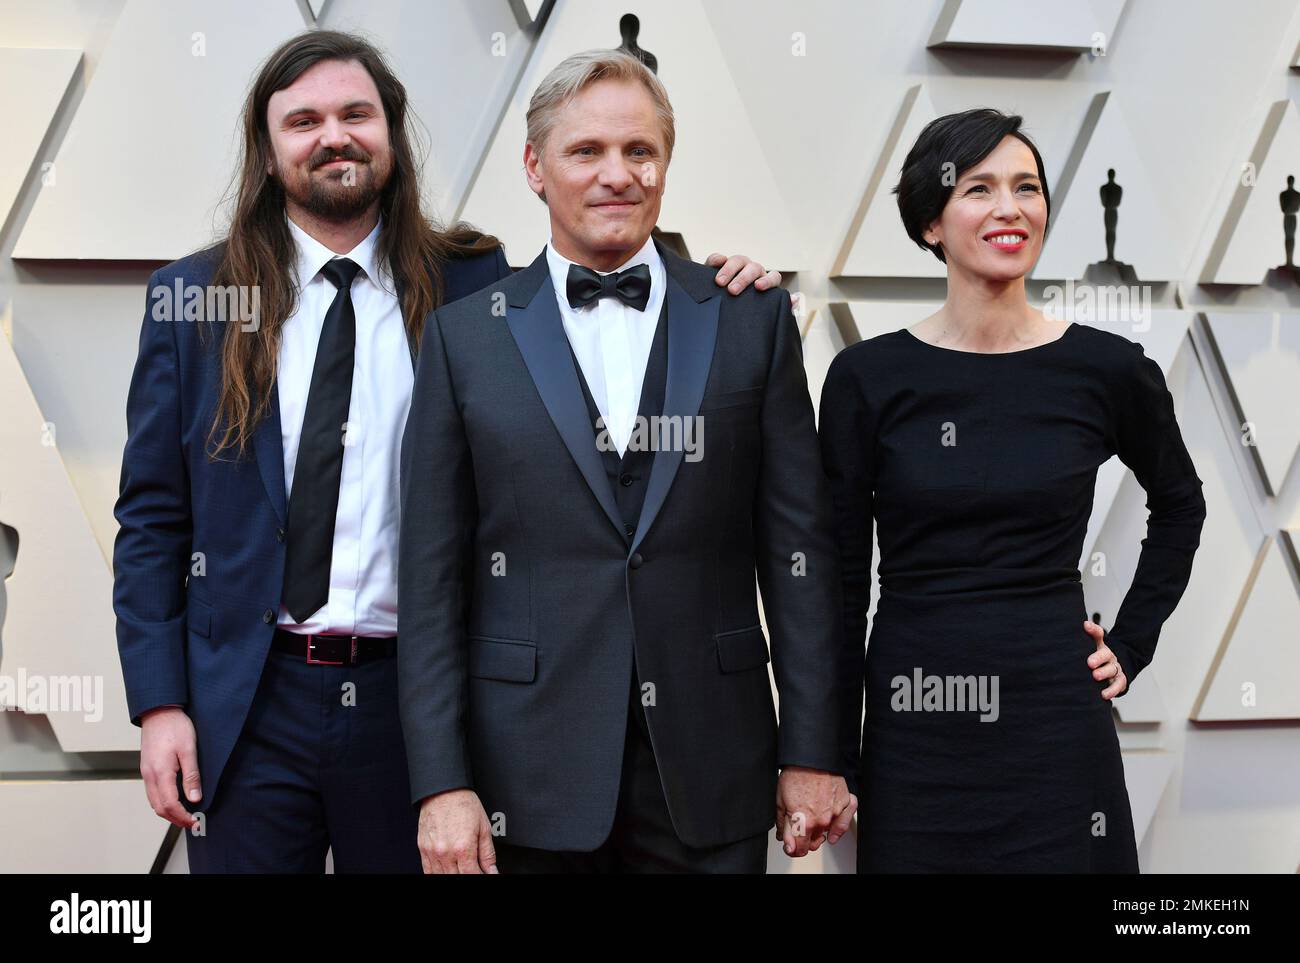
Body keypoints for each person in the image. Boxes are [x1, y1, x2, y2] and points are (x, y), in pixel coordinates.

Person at [113, 30, 776, 874]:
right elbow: (151, 521)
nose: (334, 136)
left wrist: (721, 275)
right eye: (304, 120)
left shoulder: (473, 284)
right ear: (268, 145)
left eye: (358, 113)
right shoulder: (194, 298)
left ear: (391, 132)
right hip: (245, 700)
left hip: (418, 704)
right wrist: (160, 702)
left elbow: (605, 299)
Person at [398, 48, 856, 874]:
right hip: (524, 774)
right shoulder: (463, 338)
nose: (619, 174)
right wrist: (440, 781)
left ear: (665, 165)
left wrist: (816, 748)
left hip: (714, 762)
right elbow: (429, 578)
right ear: (536, 168)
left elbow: (801, 557)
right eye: (588, 152)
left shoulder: (749, 319)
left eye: (639, 152)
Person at [818, 108, 1206, 873]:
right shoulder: (868, 379)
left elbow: (1181, 502)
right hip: (915, 719)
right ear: (930, 222)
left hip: (1056, 722)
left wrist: (1130, 643)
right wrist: (832, 751)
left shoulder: (1107, 369)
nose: (1009, 207)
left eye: (1026, 188)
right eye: (979, 187)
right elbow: (836, 579)